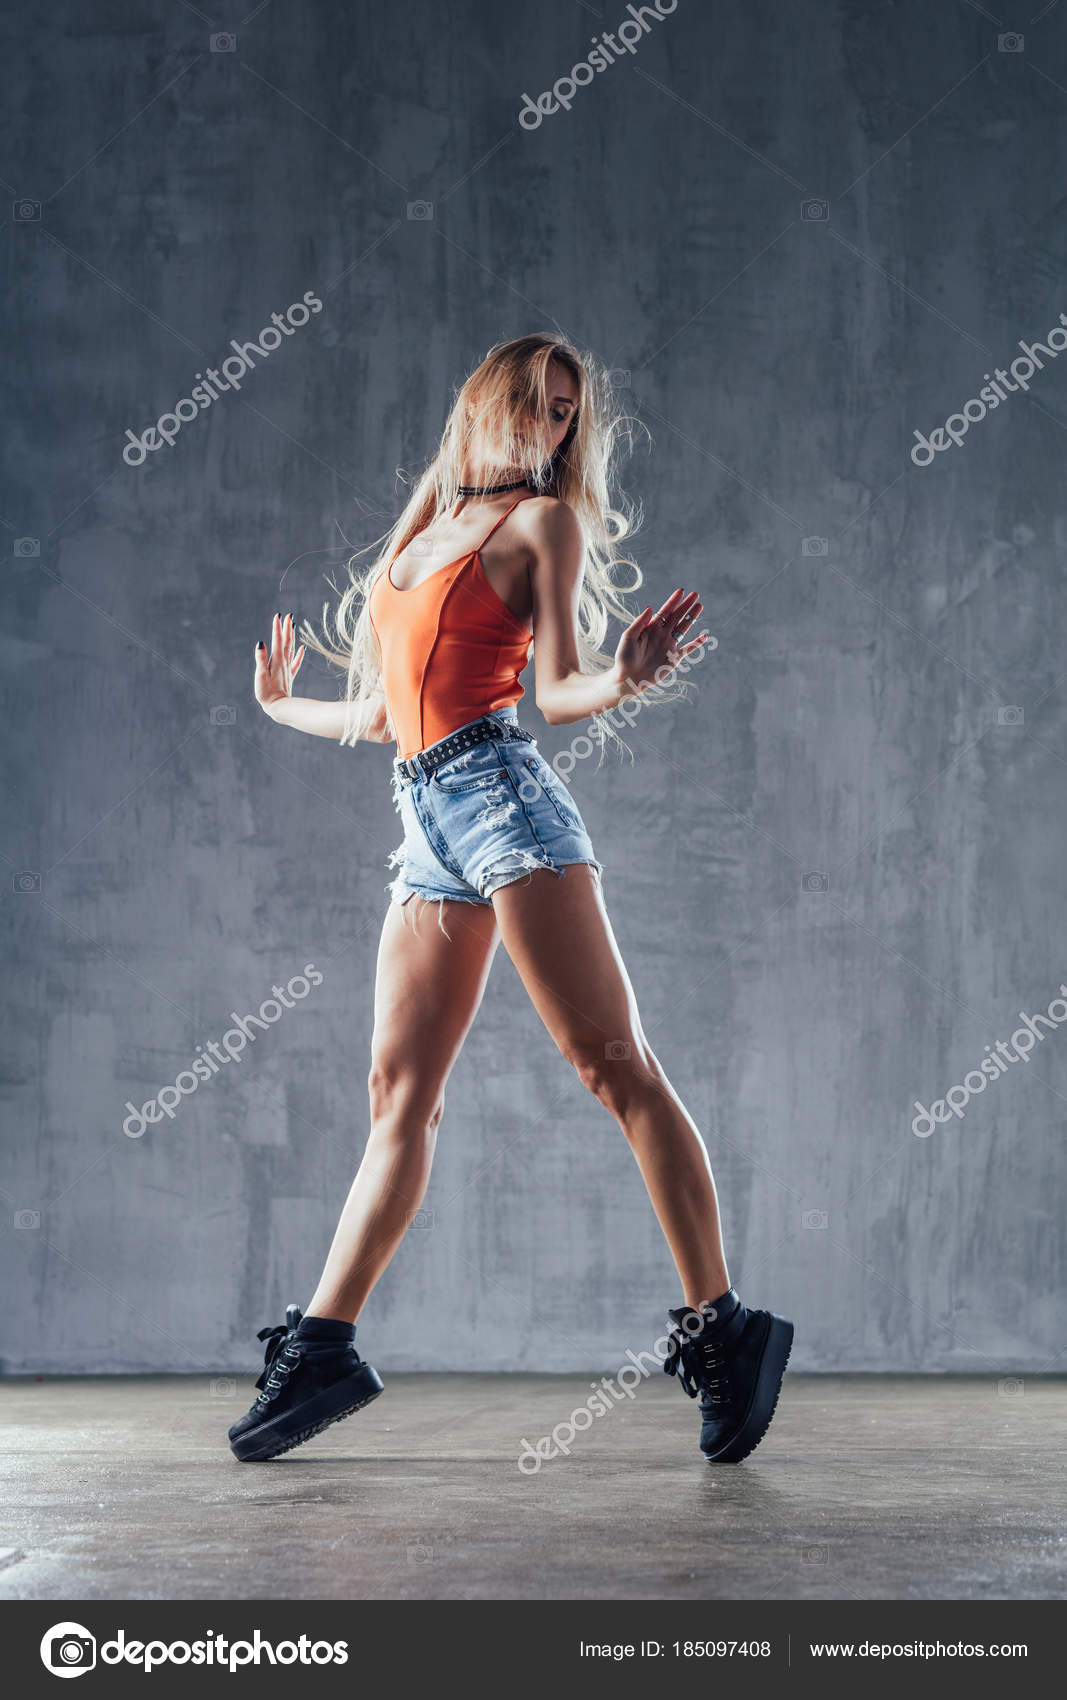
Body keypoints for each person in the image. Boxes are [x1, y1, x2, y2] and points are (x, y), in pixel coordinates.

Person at [227, 333, 792, 1465]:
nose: (550, 429)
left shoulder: (542, 526)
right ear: (487, 403)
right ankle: (325, 1344)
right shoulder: (423, 525)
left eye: (566, 415)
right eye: (537, 405)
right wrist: (279, 705)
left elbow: (555, 691)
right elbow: (383, 717)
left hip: (502, 803)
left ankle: (723, 1328)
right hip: (422, 817)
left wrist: (622, 679)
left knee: (612, 1062)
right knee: (399, 1093)